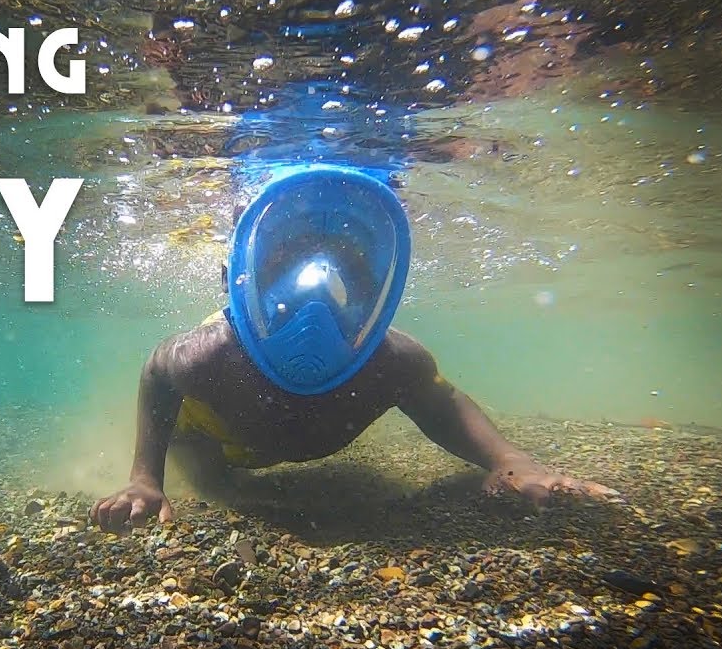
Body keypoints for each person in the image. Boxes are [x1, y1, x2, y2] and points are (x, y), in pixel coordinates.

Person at [89, 166, 619, 533]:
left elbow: (441, 402)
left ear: (376, 291)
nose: (315, 293)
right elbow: (158, 372)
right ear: (235, 283)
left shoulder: (392, 361)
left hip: (273, 435)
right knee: (217, 487)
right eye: (284, 264)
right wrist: (145, 479)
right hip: (210, 434)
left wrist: (511, 462)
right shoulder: (208, 356)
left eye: (349, 269)